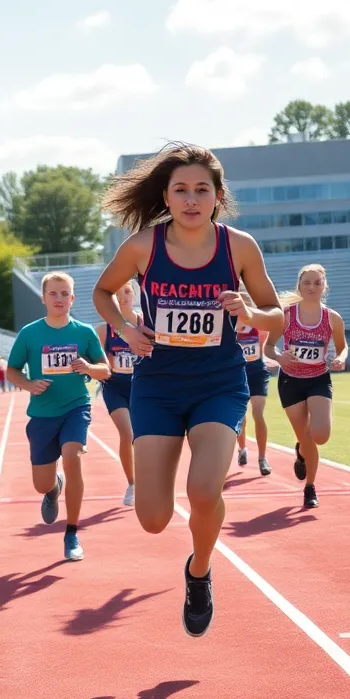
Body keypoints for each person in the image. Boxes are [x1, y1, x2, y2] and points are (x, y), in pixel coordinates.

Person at [93, 142, 284, 638]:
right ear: (167, 196)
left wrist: (249, 313)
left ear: (218, 196)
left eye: (202, 189)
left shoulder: (238, 246)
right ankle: (187, 556)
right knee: (153, 519)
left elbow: (276, 315)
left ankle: (199, 570)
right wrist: (127, 328)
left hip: (218, 384)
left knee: (203, 490)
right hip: (156, 385)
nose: (192, 198)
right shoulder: (142, 246)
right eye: (181, 190)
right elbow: (102, 291)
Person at [6, 272, 111, 562]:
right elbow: (12, 369)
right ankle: (53, 489)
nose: (59, 299)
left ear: (72, 298)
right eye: (53, 293)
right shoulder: (29, 333)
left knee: (72, 456)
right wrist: (27, 384)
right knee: (41, 483)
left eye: (65, 294)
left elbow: (106, 370)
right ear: (43, 298)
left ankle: (72, 531)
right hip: (42, 414)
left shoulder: (84, 332)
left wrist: (89, 367)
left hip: (76, 406)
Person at [265, 264, 348, 509]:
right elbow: (268, 347)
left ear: (324, 287)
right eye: (307, 283)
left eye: (317, 283)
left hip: (318, 378)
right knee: (306, 439)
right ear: (299, 286)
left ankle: (303, 450)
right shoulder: (286, 315)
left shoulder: (332, 318)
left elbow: (343, 347)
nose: (312, 287)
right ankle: (310, 487)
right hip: (290, 381)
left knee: (320, 435)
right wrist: (279, 357)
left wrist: (341, 358)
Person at [96, 280, 140, 506]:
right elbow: (94, 360)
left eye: (126, 291)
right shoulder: (104, 330)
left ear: (134, 294)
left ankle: (148, 480)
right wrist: (103, 364)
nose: (122, 297)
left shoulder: (146, 323)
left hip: (143, 388)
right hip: (115, 387)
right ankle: (133, 484)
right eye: (117, 292)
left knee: (146, 439)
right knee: (127, 433)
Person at [235, 292, 276, 476]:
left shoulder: (259, 328)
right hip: (237, 374)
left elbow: (263, 348)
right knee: (241, 420)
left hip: (257, 372)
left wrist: (271, 358)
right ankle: (242, 449)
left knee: (258, 414)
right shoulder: (230, 327)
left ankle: (262, 458)